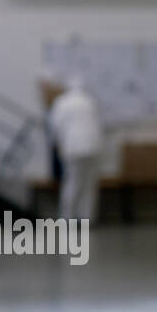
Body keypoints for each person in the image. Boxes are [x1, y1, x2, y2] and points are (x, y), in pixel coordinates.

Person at [48, 76, 104, 222]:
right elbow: (99, 123)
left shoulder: (62, 102)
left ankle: (67, 218)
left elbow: (55, 126)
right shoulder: (90, 101)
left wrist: (56, 143)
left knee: (72, 182)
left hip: (72, 147)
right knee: (89, 185)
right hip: (93, 147)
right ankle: (86, 218)